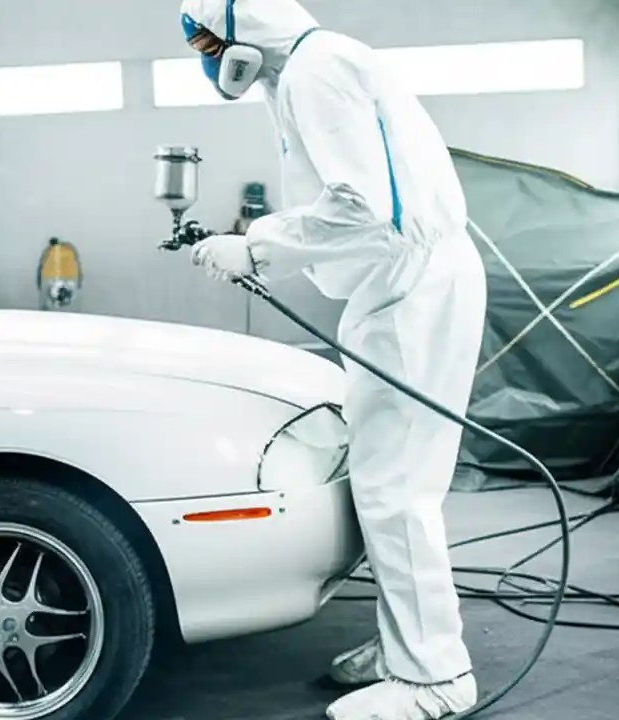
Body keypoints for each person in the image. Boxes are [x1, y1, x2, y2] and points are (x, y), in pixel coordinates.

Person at [178, 2, 488, 719]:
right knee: (386, 480)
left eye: (204, 35)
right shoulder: (310, 70)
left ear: (242, 20)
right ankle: (404, 648)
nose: (205, 54)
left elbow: (363, 208)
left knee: (396, 490)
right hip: (403, 284)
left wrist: (257, 245)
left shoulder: (318, 72)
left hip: (411, 287)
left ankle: (434, 677)